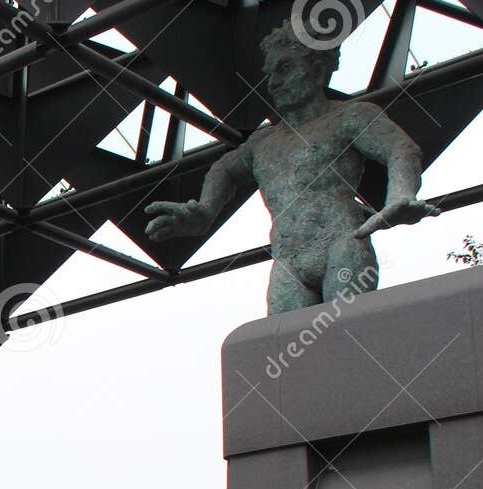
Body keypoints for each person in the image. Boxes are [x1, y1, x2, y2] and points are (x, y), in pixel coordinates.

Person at [144, 22, 437, 315]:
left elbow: (400, 148)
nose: (273, 83)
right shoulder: (262, 143)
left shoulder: (349, 117)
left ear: (317, 70)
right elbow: (224, 169)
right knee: (282, 336)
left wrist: (400, 194)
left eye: (285, 68)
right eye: (270, 73)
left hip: (343, 245)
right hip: (288, 261)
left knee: (346, 330)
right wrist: (206, 209)